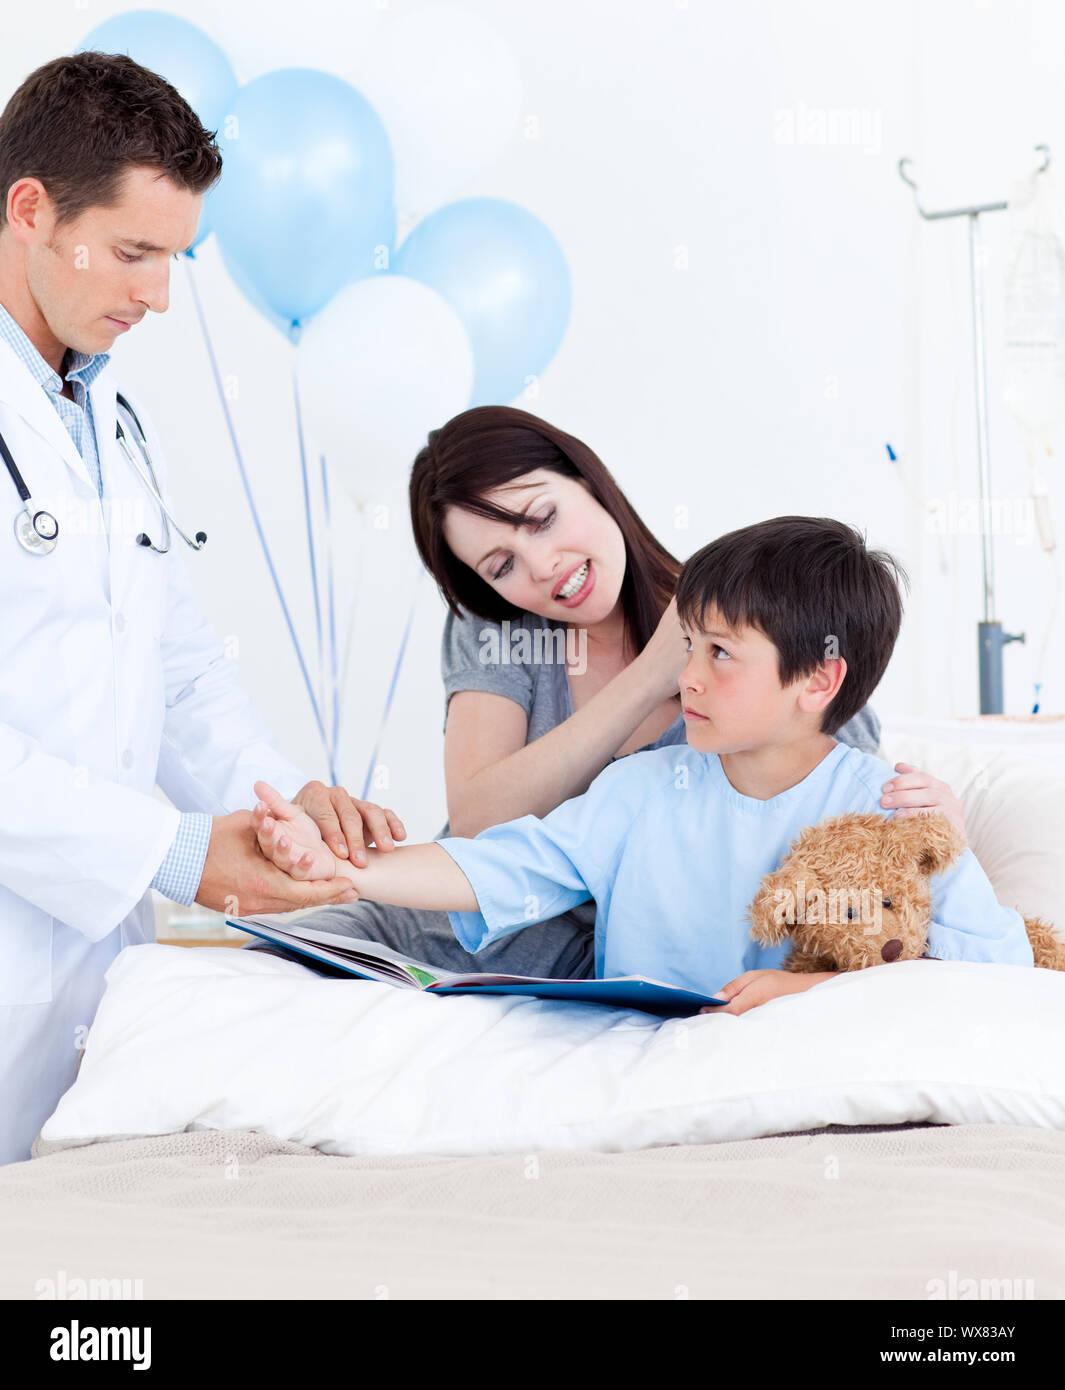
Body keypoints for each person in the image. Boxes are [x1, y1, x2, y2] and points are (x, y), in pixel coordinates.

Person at [0, 52, 401, 1165]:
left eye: (174, 258)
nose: (160, 295)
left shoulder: (114, 413)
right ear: (31, 210)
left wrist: (274, 803)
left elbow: (174, 668)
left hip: (88, 973)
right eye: (134, 253)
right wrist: (175, 853)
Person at [254, 408, 965, 978]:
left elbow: (837, 816)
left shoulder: (753, 620)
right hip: (436, 924)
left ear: (591, 484)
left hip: (597, 974)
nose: (540, 567)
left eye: (541, 518)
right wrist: (648, 676)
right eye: (500, 564)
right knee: (250, 988)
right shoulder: (501, 631)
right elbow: (480, 826)